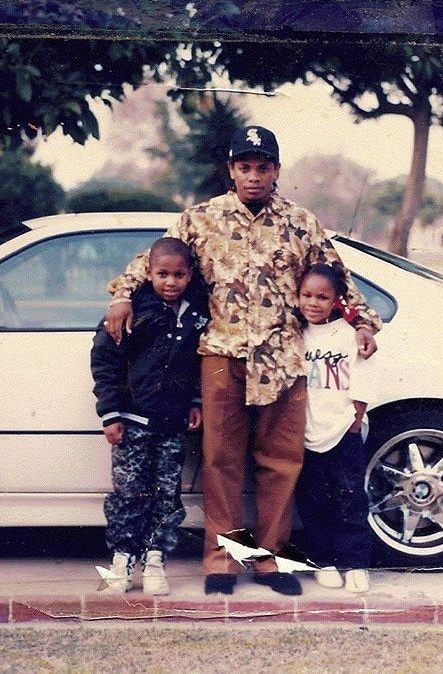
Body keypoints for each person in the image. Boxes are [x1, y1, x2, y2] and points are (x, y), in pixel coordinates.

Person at [104, 125, 382, 596]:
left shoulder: (301, 223)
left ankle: (272, 562)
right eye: (244, 166)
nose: (254, 176)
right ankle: (224, 562)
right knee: (221, 462)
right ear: (231, 170)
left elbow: (337, 279)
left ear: (276, 170)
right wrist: (122, 298)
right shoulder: (202, 218)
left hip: (283, 359)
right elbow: (151, 261)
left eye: (263, 167)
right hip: (221, 356)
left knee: (280, 463)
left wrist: (363, 322)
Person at [91, 237, 209, 594]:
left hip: (172, 424)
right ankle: (122, 560)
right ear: (149, 272)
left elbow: (199, 363)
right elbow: (105, 360)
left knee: (166, 495)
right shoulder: (132, 310)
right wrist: (110, 414)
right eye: (162, 274)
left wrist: (195, 401)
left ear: (190, 275)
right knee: (128, 493)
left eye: (178, 275)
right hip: (131, 422)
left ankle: (155, 559)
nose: (170, 282)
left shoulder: (197, 313)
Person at [295, 263, 375, 593]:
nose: (313, 303)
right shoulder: (295, 334)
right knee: (312, 501)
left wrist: (356, 417)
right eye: (306, 295)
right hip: (307, 433)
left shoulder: (348, 334)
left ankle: (355, 561)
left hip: (343, 430)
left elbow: (364, 375)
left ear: (337, 300)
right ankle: (323, 561)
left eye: (322, 297)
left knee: (350, 496)